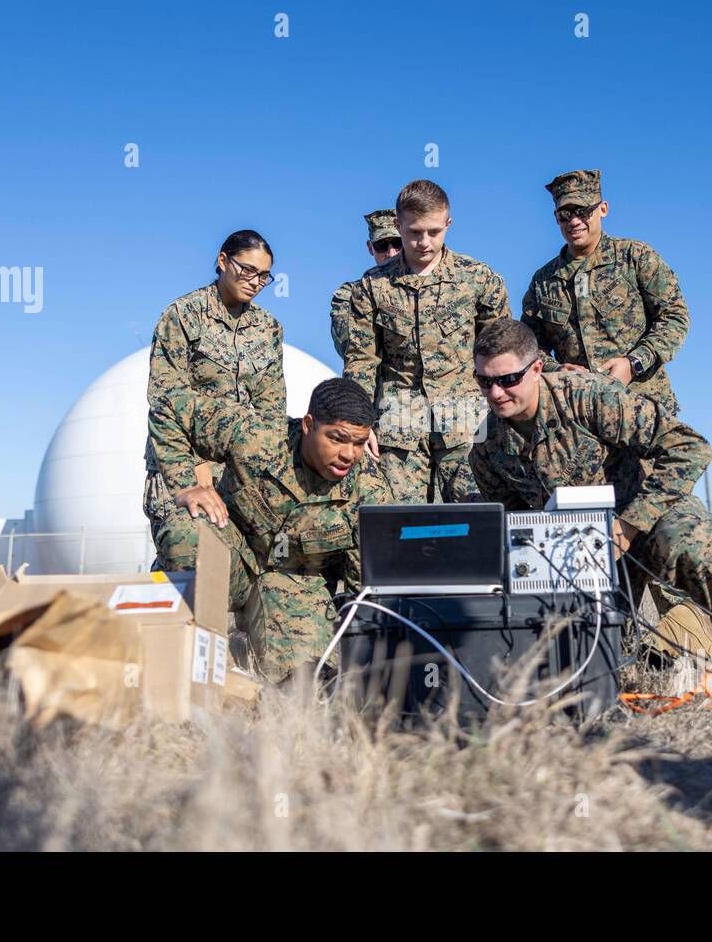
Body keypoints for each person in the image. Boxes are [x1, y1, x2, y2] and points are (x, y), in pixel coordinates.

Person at [465, 319, 712, 661]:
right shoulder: (487, 449)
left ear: (536, 369)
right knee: (602, 654)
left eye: (508, 379)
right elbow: (515, 528)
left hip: (648, 516)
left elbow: (689, 446)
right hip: (586, 552)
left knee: (691, 546)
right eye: (485, 381)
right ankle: (678, 636)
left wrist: (629, 524)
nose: (496, 393)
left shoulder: (587, 396)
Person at [191, 378, 393, 684]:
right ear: (309, 425)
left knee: (304, 683)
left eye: (359, 443)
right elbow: (171, 410)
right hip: (235, 556)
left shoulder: (369, 492)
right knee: (186, 529)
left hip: (296, 584)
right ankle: (191, 647)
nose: (349, 454)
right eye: (338, 439)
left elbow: (364, 589)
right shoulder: (258, 437)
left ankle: (243, 663)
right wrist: (188, 483)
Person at [344, 179, 509, 503]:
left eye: (434, 232)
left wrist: (506, 414)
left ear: (448, 224)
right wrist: (359, 423)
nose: (423, 242)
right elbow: (361, 360)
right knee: (402, 523)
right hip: (398, 424)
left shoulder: (477, 279)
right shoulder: (373, 286)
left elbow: (500, 351)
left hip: (467, 422)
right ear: (398, 225)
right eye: (414, 232)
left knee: (477, 519)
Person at [145, 229, 285, 571]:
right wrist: (195, 466)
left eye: (264, 276)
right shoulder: (183, 315)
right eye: (247, 270)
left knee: (245, 568)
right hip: (182, 463)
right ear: (223, 261)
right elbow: (166, 397)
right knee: (186, 557)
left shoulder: (268, 328)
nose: (255, 282)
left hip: (239, 470)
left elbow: (272, 409)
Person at [521, 169, 690, 417]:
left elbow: (674, 317)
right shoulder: (543, 281)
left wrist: (634, 363)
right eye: (565, 214)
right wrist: (556, 371)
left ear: (603, 209)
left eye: (583, 211)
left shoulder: (635, 257)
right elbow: (529, 346)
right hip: (579, 414)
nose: (574, 221)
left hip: (643, 408)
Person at [330, 209, 402, 359]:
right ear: (370, 248)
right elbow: (352, 348)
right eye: (381, 246)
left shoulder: (432, 288)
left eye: (398, 244)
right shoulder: (350, 294)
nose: (391, 253)